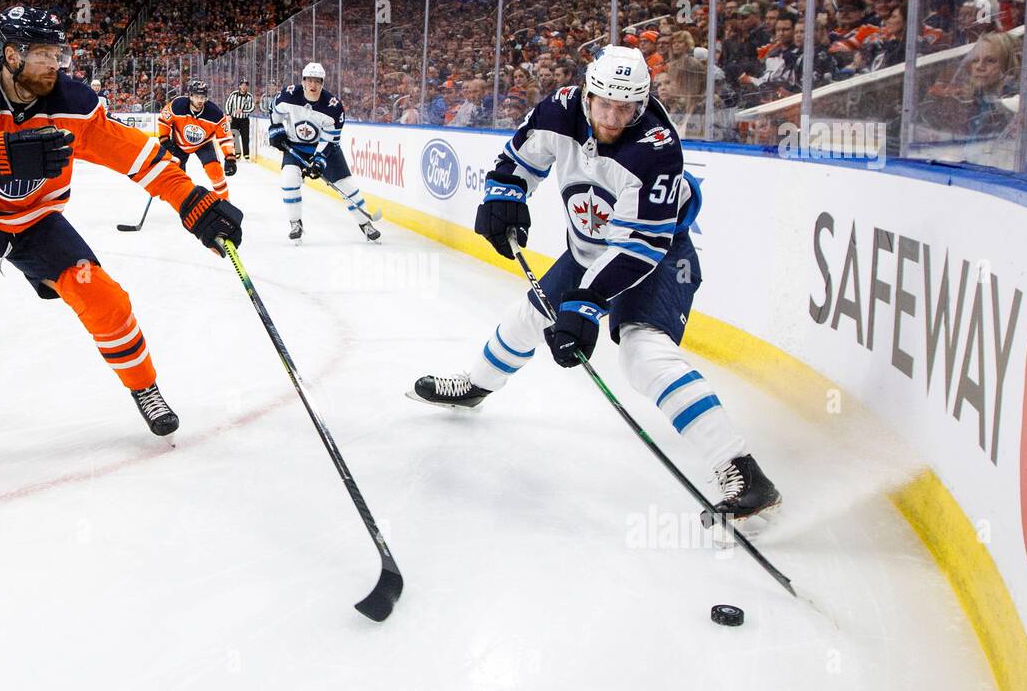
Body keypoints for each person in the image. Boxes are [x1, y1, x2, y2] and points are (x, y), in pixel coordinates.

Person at [0, 6, 243, 484]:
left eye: (59, 53)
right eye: (42, 55)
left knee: (104, 298)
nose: (55, 64)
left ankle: (145, 389)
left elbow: (136, 154)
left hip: (36, 220)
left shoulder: (74, 102)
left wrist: (190, 200)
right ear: (11, 55)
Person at [408, 46, 781, 524]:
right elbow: (517, 159)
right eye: (603, 103)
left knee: (642, 353)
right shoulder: (558, 110)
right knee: (531, 313)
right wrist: (504, 193)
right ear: (587, 91)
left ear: (642, 103)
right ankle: (476, 386)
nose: (611, 117)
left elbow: (639, 247)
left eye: (625, 108)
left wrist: (585, 303)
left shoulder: (656, 149)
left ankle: (744, 474)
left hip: (657, 258)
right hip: (589, 250)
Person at [270, 61, 379, 244]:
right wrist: (276, 130)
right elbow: (275, 112)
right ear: (303, 81)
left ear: (323, 83)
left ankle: (365, 224)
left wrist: (319, 161)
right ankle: (296, 223)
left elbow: (329, 140)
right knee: (289, 179)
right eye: (309, 80)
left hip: (324, 147)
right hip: (295, 146)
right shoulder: (288, 95)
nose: (313, 85)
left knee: (346, 186)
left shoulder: (333, 107)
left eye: (318, 81)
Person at [156, 78, 236, 198]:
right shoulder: (177, 105)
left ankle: (224, 201)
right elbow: (163, 120)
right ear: (190, 96)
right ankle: (182, 200)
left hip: (204, 144)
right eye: (197, 96)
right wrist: (165, 140)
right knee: (176, 175)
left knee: (214, 169)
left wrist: (230, 158)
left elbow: (225, 137)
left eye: (202, 97)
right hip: (178, 143)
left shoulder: (215, 114)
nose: (200, 100)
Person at [224, 78, 255, 161]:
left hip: (244, 119)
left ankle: (246, 154)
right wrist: (228, 115)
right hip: (234, 119)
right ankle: (237, 153)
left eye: (246, 85)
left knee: (245, 137)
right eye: (243, 85)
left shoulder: (249, 96)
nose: (244, 87)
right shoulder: (234, 95)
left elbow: (252, 108)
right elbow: (228, 104)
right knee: (235, 136)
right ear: (240, 86)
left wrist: (243, 111)